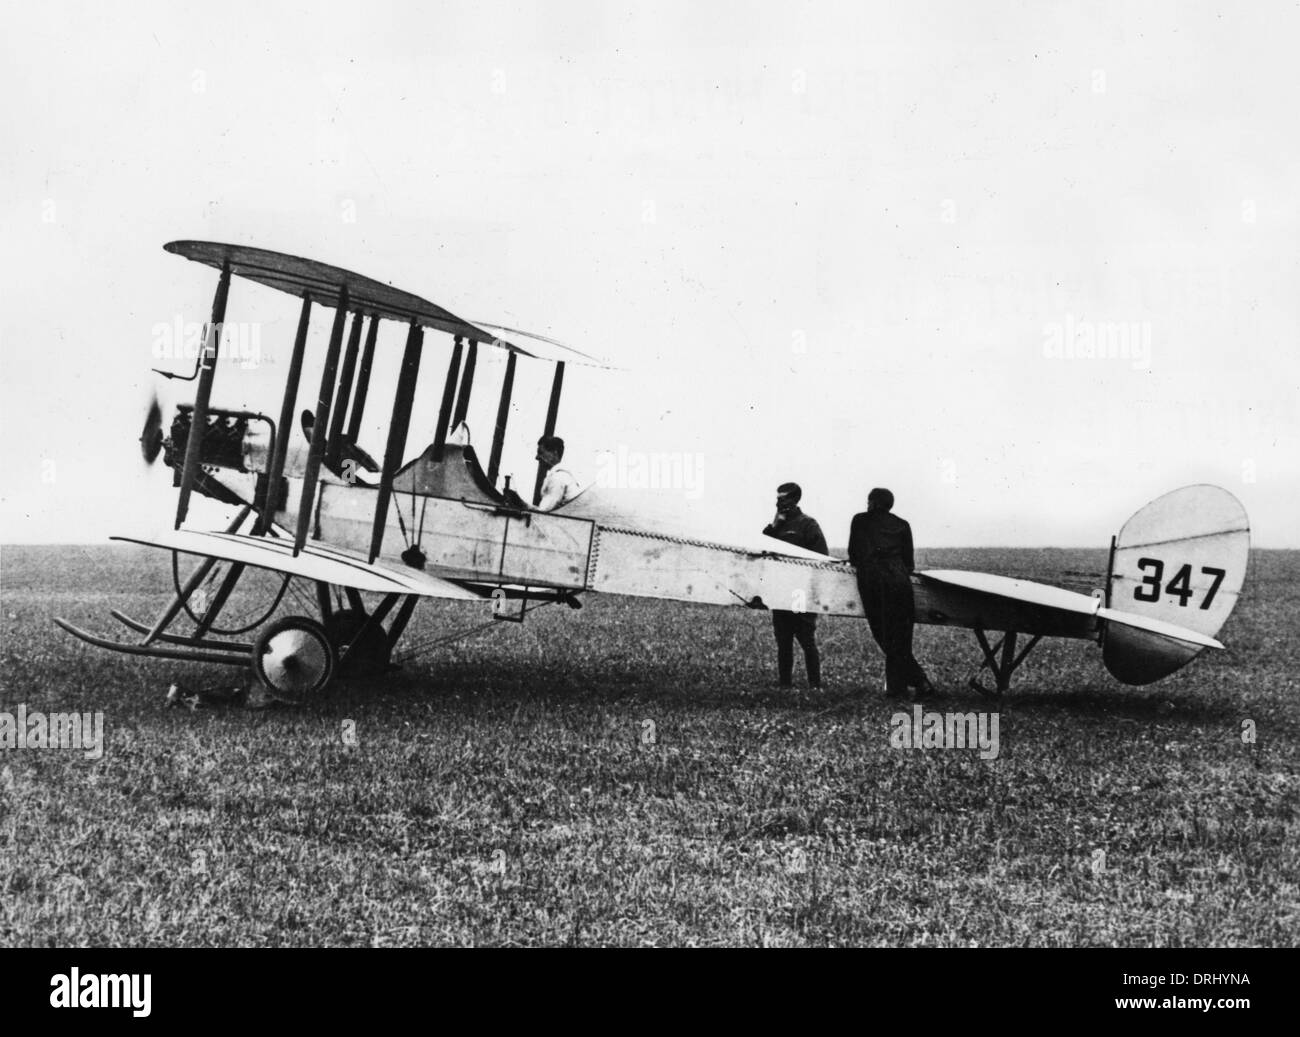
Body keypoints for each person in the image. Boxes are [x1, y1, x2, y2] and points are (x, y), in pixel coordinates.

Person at [847, 487, 935, 699]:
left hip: (873, 582)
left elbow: (854, 554)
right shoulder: (903, 524)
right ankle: (897, 688)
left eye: (869, 501)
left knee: (884, 636)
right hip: (900, 581)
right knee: (901, 636)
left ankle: (919, 681)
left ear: (873, 503)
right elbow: (909, 564)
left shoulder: (860, 520)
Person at [761, 482, 828, 689]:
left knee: (806, 639)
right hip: (780, 590)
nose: (778, 502)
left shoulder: (808, 524)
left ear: (795, 499)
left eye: (783, 498)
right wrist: (774, 525)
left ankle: (815, 684)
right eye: (777, 498)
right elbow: (763, 547)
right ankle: (785, 684)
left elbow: (821, 557)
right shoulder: (777, 526)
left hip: (801, 591)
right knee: (783, 641)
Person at [535, 435, 579, 511]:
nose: (537, 457)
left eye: (541, 452)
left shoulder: (558, 477)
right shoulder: (563, 475)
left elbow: (543, 511)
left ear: (554, 453)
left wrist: (520, 503)